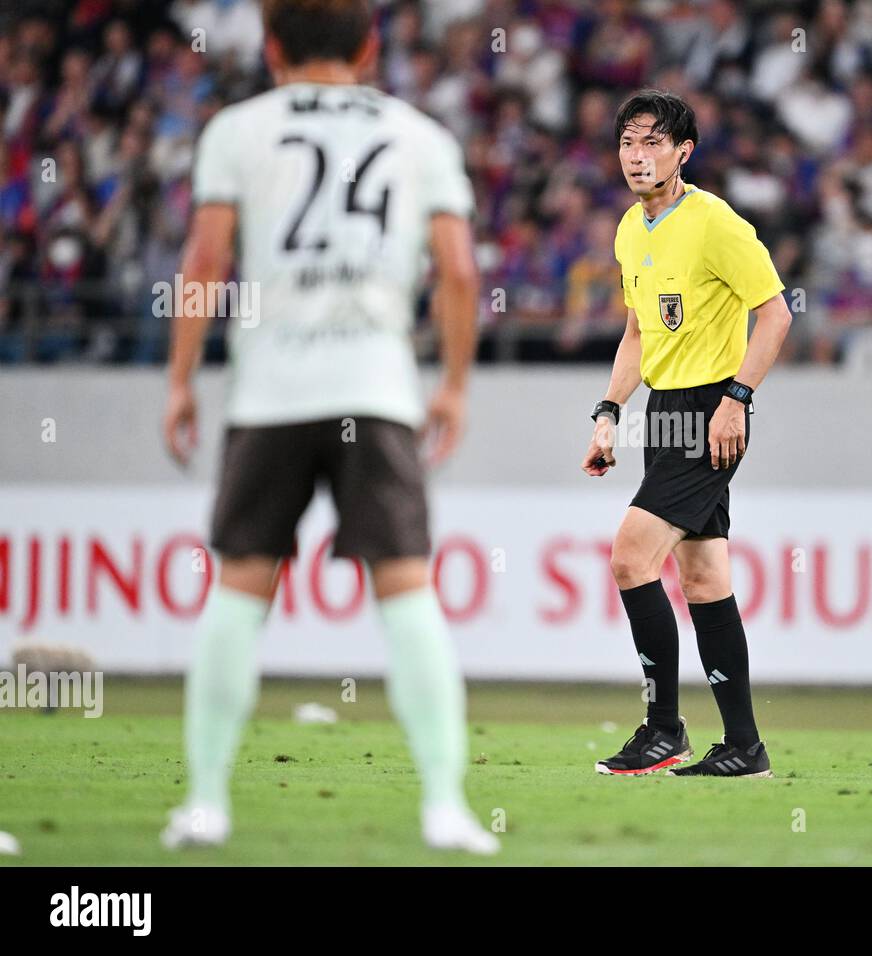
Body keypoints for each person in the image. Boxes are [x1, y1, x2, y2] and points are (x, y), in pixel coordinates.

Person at [159, 0, 495, 853]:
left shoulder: (237, 130)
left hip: (270, 390)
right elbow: (458, 270)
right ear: (371, 45)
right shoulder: (420, 135)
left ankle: (205, 804)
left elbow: (204, 261)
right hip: (376, 388)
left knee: (240, 584)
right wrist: (452, 384)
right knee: (407, 587)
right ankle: (446, 807)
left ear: (270, 46)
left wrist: (180, 379)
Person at [581, 89, 792, 777]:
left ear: (683, 152)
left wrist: (737, 398)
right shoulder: (629, 230)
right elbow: (640, 332)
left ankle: (663, 729)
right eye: (628, 143)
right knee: (702, 578)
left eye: (652, 143)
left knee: (629, 558)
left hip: (711, 412)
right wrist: (609, 412)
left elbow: (777, 314)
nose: (637, 157)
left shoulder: (714, 222)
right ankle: (743, 747)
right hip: (665, 411)